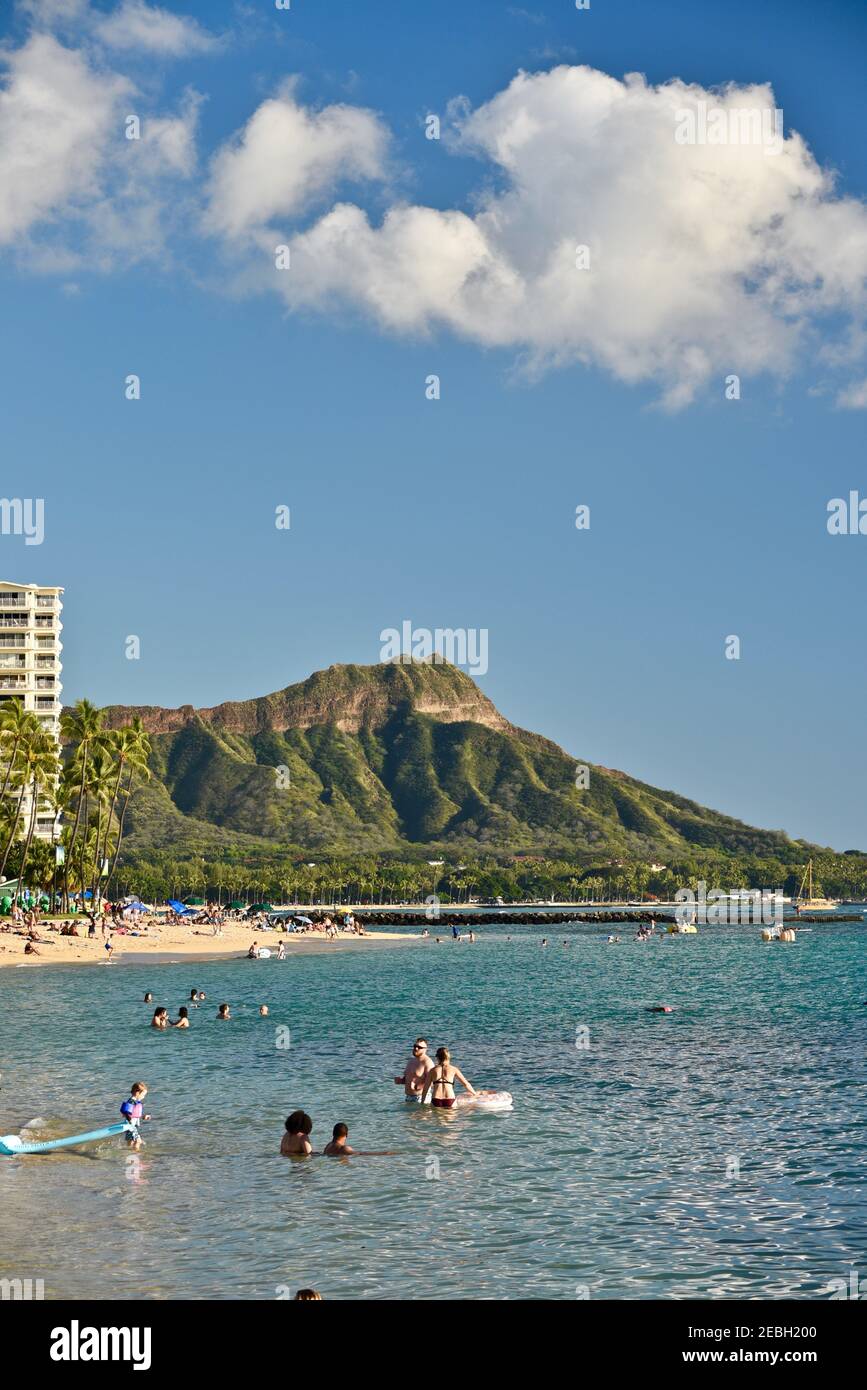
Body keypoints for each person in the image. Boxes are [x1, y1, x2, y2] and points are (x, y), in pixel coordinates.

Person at [394, 1037, 435, 1102]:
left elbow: (433, 1081)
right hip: (408, 1098)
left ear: (425, 1049)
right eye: (415, 1046)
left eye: (419, 1047)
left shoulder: (427, 1062)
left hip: (421, 1098)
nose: (416, 1048)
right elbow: (410, 1079)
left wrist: (419, 1086)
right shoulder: (411, 1061)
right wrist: (401, 1081)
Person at [323, 1123, 395, 1157]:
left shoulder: (328, 1146)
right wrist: (384, 1153)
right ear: (347, 1135)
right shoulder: (343, 1148)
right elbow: (361, 1153)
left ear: (333, 1133)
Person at [120, 1082, 151, 1149]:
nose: (143, 1097)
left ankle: (130, 1154)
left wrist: (143, 1116)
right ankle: (136, 1153)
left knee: (130, 1142)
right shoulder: (132, 1101)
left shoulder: (135, 1101)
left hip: (131, 1126)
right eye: (143, 1095)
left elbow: (135, 1114)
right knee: (138, 1141)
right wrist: (129, 1120)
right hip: (131, 1126)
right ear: (137, 1092)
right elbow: (126, 1112)